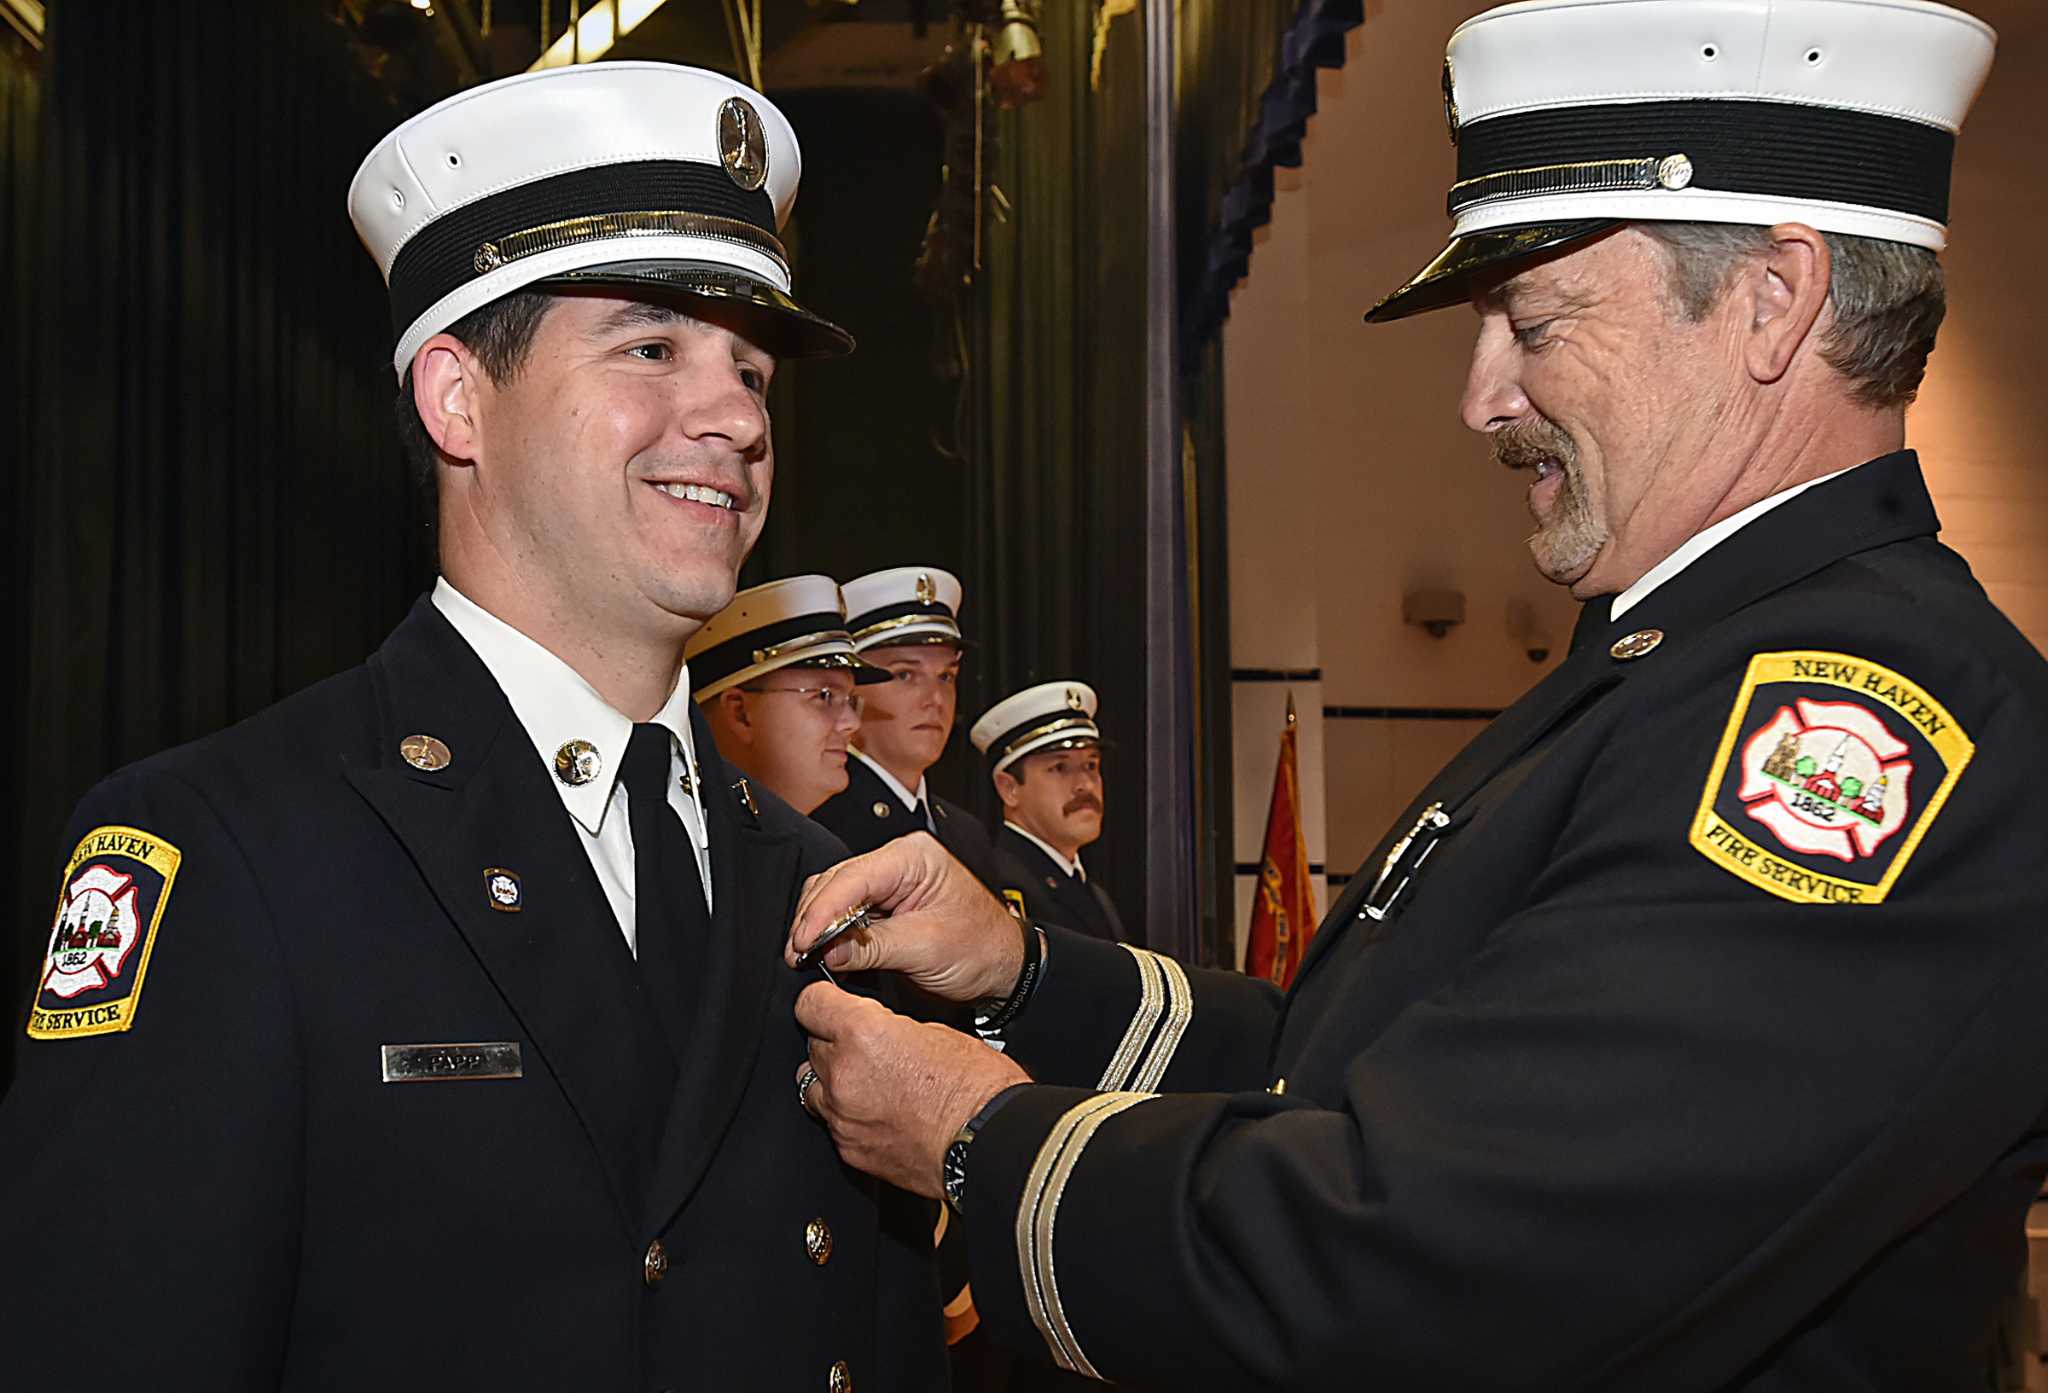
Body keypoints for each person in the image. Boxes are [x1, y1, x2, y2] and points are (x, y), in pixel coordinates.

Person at [785, 3, 2048, 1388]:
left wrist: (979, 1136)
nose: (1480, 397)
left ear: (1772, 298)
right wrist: (1029, 976)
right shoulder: (1674, 665)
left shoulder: (1860, 720)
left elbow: (1442, 1255)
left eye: (1535, 320)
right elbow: (1359, 1074)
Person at [0, 64, 945, 1391]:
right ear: (457, 399)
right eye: (650, 345)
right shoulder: (228, 852)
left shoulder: (819, 884)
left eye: (750, 369)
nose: (735, 416)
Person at [812, 566, 1005, 891]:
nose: (935, 700)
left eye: (946, 677)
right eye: (905, 675)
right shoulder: (823, 824)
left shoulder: (966, 833)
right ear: (852, 687)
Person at [690, 575, 885, 815]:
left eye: (849, 699)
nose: (852, 724)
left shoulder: (828, 845)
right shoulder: (687, 844)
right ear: (740, 712)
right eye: (824, 696)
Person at [971, 681, 1126, 942]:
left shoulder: (1092, 891)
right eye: (1060, 768)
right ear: (1009, 788)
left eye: (1090, 765)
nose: (1085, 785)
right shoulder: (998, 886)